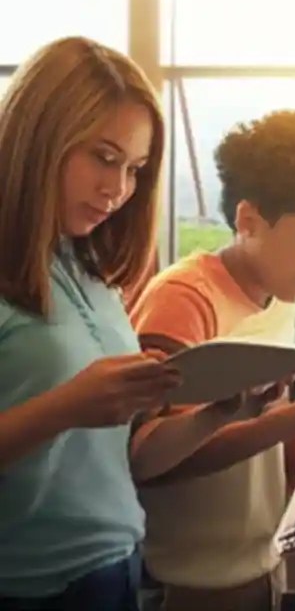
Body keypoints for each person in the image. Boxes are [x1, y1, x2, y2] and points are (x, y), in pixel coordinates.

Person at [128, 110, 295, 611]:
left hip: (262, 564)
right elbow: (153, 463)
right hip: (192, 582)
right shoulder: (185, 299)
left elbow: (268, 416)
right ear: (249, 220)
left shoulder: (279, 297)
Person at [0, 37, 182, 609]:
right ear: (40, 140)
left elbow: (117, 459)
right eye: (104, 158)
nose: (119, 190)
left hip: (118, 565)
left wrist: (228, 409)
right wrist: (67, 406)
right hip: (28, 587)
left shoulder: (86, 266)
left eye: (135, 169)